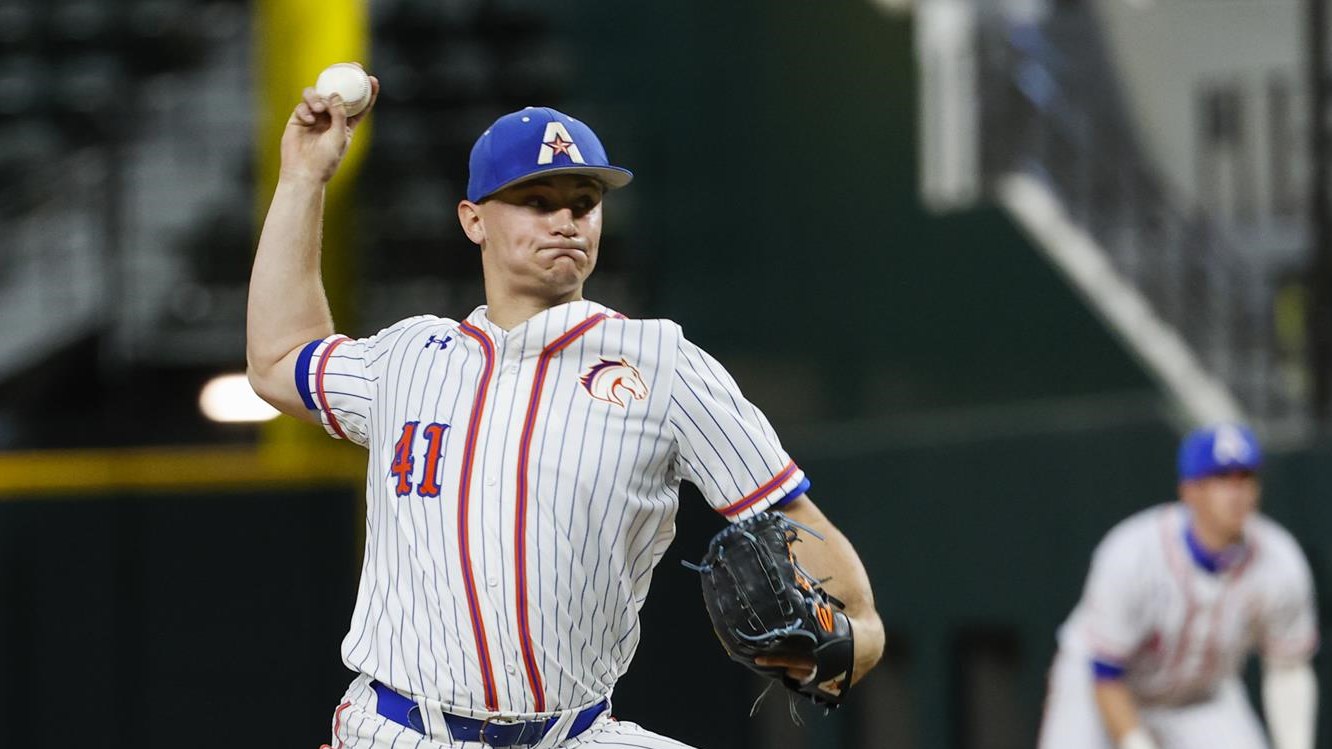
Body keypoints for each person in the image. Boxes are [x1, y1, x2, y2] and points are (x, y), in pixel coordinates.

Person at [245, 68, 885, 749]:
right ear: (474, 220)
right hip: (400, 730)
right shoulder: (409, 356)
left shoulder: (662, 365)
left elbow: (796, 521)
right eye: (535, 199)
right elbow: (280, 357)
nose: (564, 220)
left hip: (571, 734)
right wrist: (302, 179)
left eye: (582, 202)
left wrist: (856, 637)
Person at [1038, 424, 1318, 749]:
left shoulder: (1280, 561)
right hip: (1098, 686)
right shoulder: (1132, 554)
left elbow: (1287, 667)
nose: (1237, 492)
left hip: (1199, 695)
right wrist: (1137, 743)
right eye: (1222, 479)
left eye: (1246, 478)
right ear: (1190, 491)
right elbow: (1106, 672)